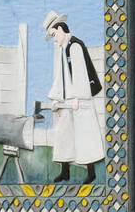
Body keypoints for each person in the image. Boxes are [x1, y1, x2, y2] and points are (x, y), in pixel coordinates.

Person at [43, 11, 105, 184]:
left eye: (54, 35)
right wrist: (57, 98)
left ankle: (91, 173)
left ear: (60, 29)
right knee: (64, 133)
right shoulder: (62, 49)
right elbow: (61, 77)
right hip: (67, 99)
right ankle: (65, 171)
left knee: (85, 134)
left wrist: (78, 97)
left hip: (80, 98)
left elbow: (80, 74)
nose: (54, 39)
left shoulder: (75, 46)